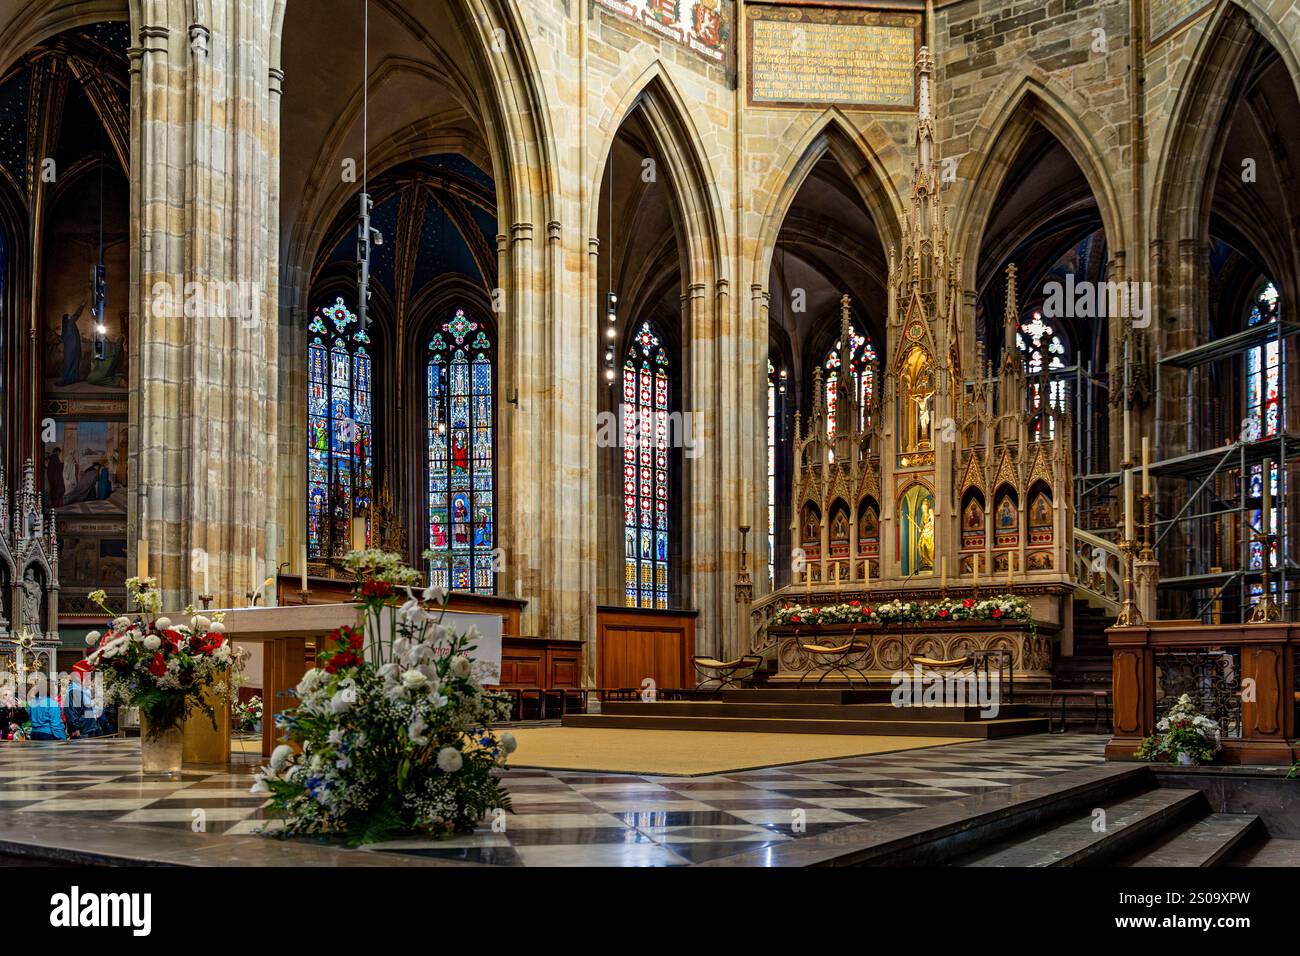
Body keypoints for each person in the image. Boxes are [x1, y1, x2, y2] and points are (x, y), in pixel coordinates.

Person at [64, 661, 101, 739]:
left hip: (89, 729)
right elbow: (70, 712)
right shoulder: (74, 691)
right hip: (81, 731)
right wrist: (75, 728)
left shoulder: (84, 690)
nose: (90, 678)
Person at [27, 676, 67, 740]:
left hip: (34, 734)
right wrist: (63, 738)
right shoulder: (53, 704)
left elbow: (29, 717)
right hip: (48, 735)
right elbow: (56, 725)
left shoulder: (33, 702)